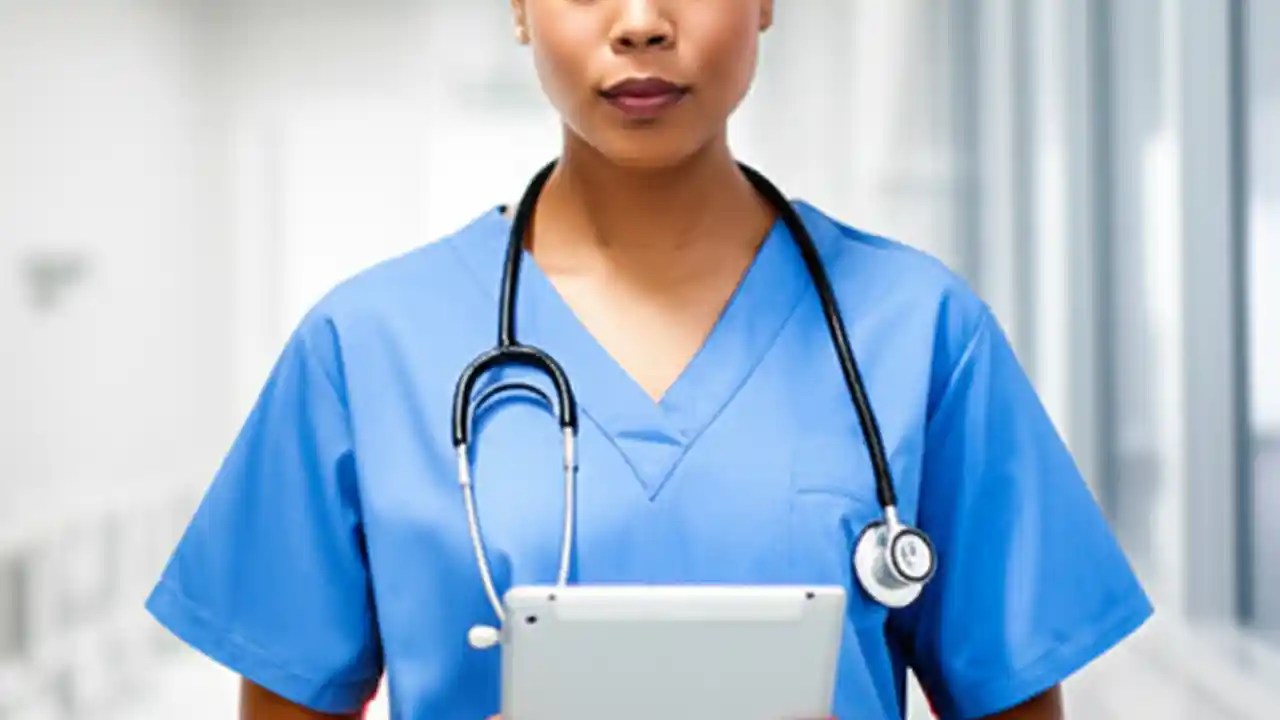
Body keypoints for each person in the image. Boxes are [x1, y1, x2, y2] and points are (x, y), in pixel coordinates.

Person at [146, 1, 1152, 718]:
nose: (638, 21)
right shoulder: (364, 347)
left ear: (763, 4)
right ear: (517, 8)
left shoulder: (919, 329)